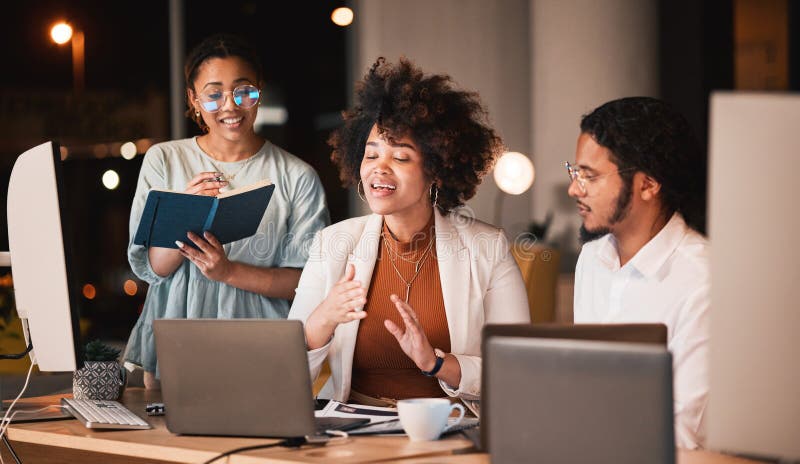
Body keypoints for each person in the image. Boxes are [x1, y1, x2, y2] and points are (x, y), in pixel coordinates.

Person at [288, 57, 530, 408]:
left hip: (448, 431)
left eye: (400, 158)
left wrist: (437, 364)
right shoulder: (334, 244)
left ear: (435, 170)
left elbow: (516, 368)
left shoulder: (487, 248)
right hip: (353, 432)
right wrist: (322, 320)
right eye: (371, 156)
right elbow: (286, 373)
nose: (379, 169)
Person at [124, 34, 329, 388]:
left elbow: (304, 284)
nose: (230, 105)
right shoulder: (165, 160)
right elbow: (155, 268)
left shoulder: (297, 175)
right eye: (214, 93)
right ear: (194, 98)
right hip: (178, 339)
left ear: (259, 92)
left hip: (262, 346)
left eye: (244, 91)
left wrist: (228, 271)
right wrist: (184, 210)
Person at [567, 96, 709, 449]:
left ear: (648, 184)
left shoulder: (703, 280)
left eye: (590, 176)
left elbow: (686, 435)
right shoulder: (591, 260)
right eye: (574, 172)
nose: (574, 189)